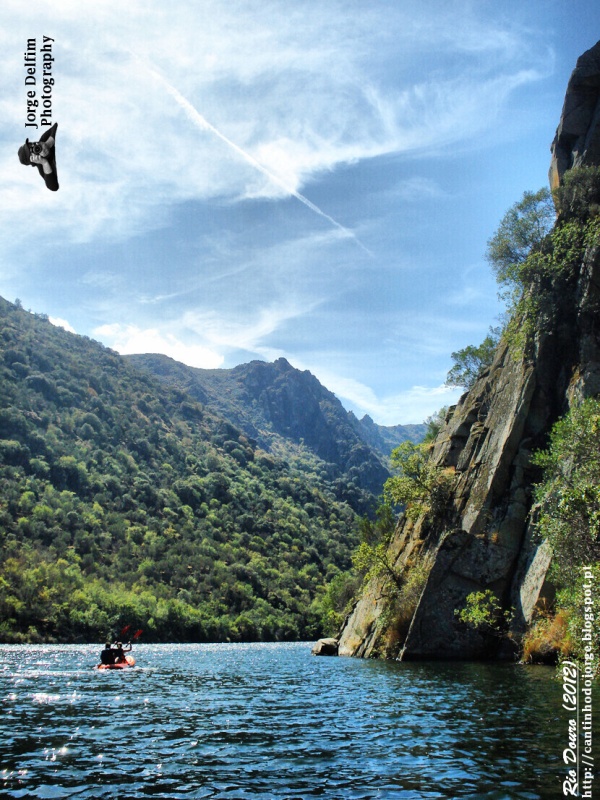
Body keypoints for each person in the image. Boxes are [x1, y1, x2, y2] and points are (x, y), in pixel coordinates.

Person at [17, 122, 59, 191]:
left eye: (31, 144)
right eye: (32, 151)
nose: (35, 147)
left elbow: (55, 125)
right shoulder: (43, 167)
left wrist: (49, 142)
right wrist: (44, 163)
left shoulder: (43, 139)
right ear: (34, 161)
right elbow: (53, 187)